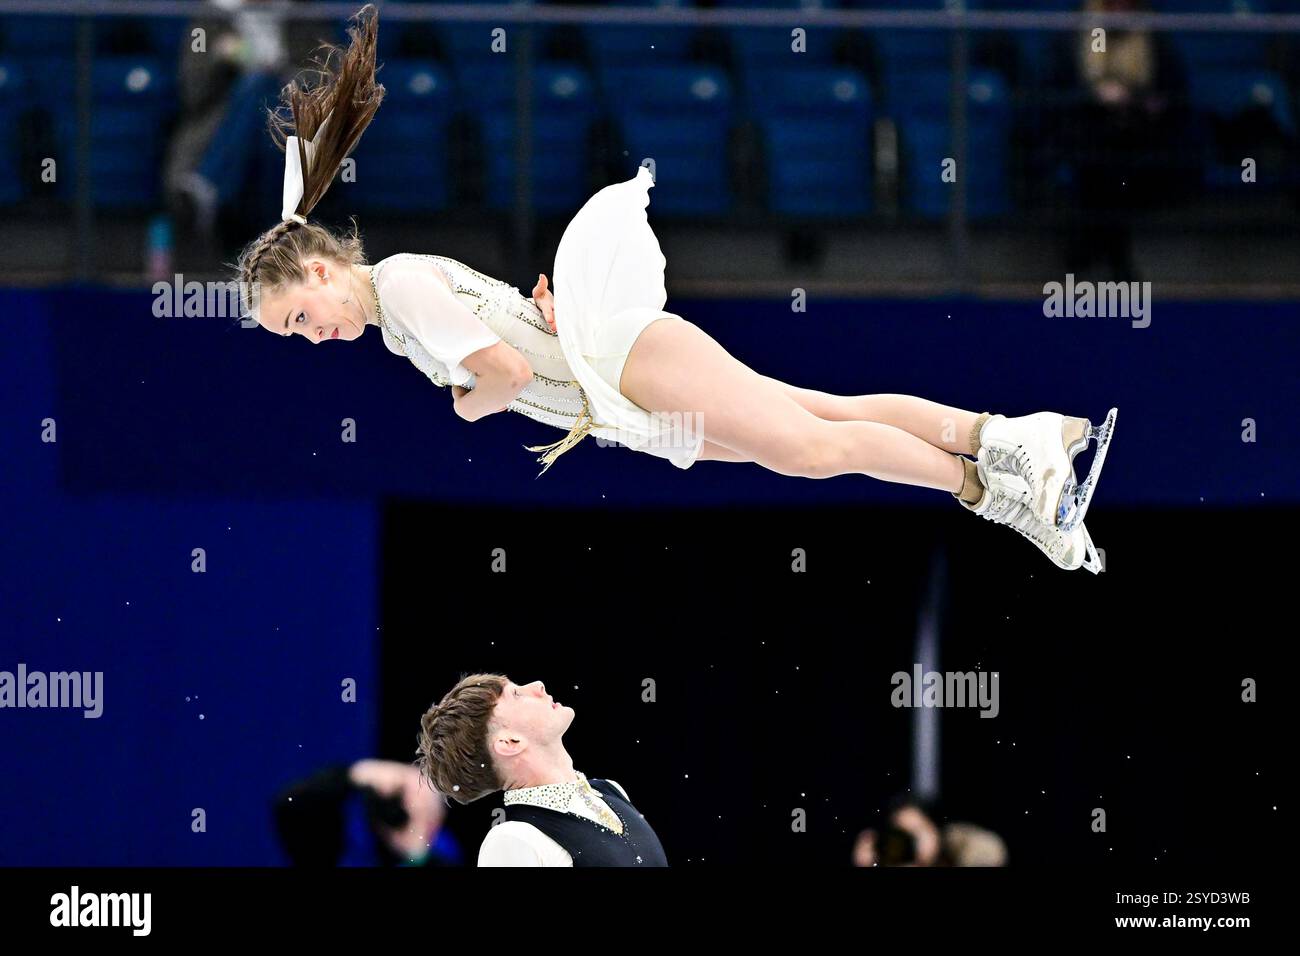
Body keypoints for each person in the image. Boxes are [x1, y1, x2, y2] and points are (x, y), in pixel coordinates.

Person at [235, 5, 1117, 572]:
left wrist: (471, 406)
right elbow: (509, 321)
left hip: (626, 364)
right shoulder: (394, 312)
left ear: (319, 269)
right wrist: (544, 320)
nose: (314, 338)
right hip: (619, 395)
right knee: (823, 419)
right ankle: (1007, 445)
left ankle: (1005, 482)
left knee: (809, 447)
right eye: (296, 337)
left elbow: (500, 372)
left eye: (301, 319)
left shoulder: (397, 285)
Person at [416, 674, 668, 867]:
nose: (537, 685)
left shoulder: (611, 791)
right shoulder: (512, 839)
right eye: (515, 694)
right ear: (509, 742)